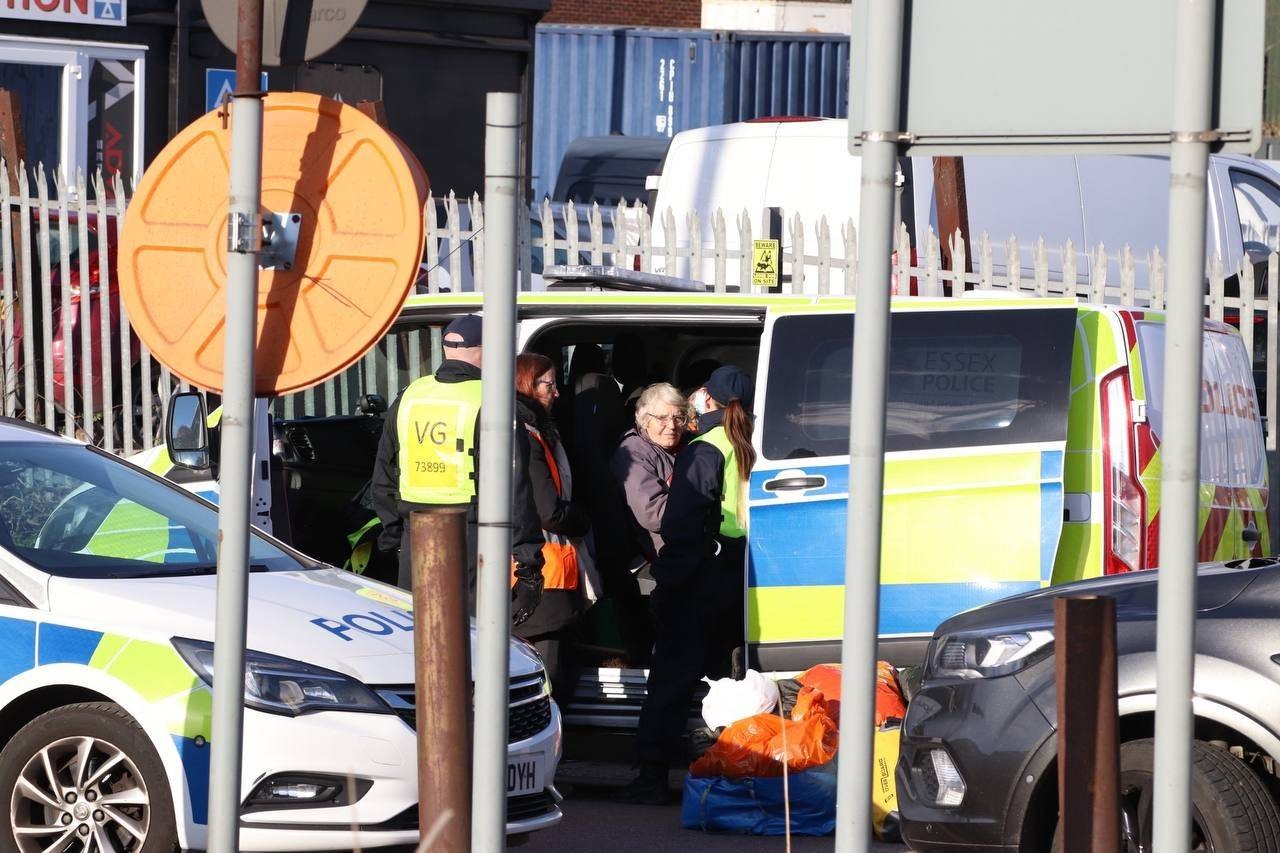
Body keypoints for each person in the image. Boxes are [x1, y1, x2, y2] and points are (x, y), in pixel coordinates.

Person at [616, 365, 755, 804]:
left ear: (706, 401)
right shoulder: (752, 442)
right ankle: (726, 773)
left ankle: (652, 778)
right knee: (729, 680)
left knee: (671, 680)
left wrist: (670, 581)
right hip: (740, 571)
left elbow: (679, 522)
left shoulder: (706, 447)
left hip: (701, 572)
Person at [370, 314, 546, 626]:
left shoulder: (410, 396)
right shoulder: (492, 400)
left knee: (420, 637)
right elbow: (516, 485)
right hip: (473, 537)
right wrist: (529, 563)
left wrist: (394, 535)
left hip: (417, 534)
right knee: (473, 641)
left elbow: (384, 472)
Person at [514, 353, 593, 703]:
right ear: (525, 383)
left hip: (540, 567)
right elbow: (549, 511)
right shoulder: (527, 434)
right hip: (542, 571)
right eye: (548, 384)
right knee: (548, 675)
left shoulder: (533, 429)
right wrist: (582, 519)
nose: (556, 393)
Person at [610, 382, 688, 572]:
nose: (672, 425)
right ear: (645, 420)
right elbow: (653, 513)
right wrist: (701, 504)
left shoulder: (684, 444)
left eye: (678, 417)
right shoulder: (633, 452)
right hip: (667, 548)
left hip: (689, 537)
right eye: (662, 418)